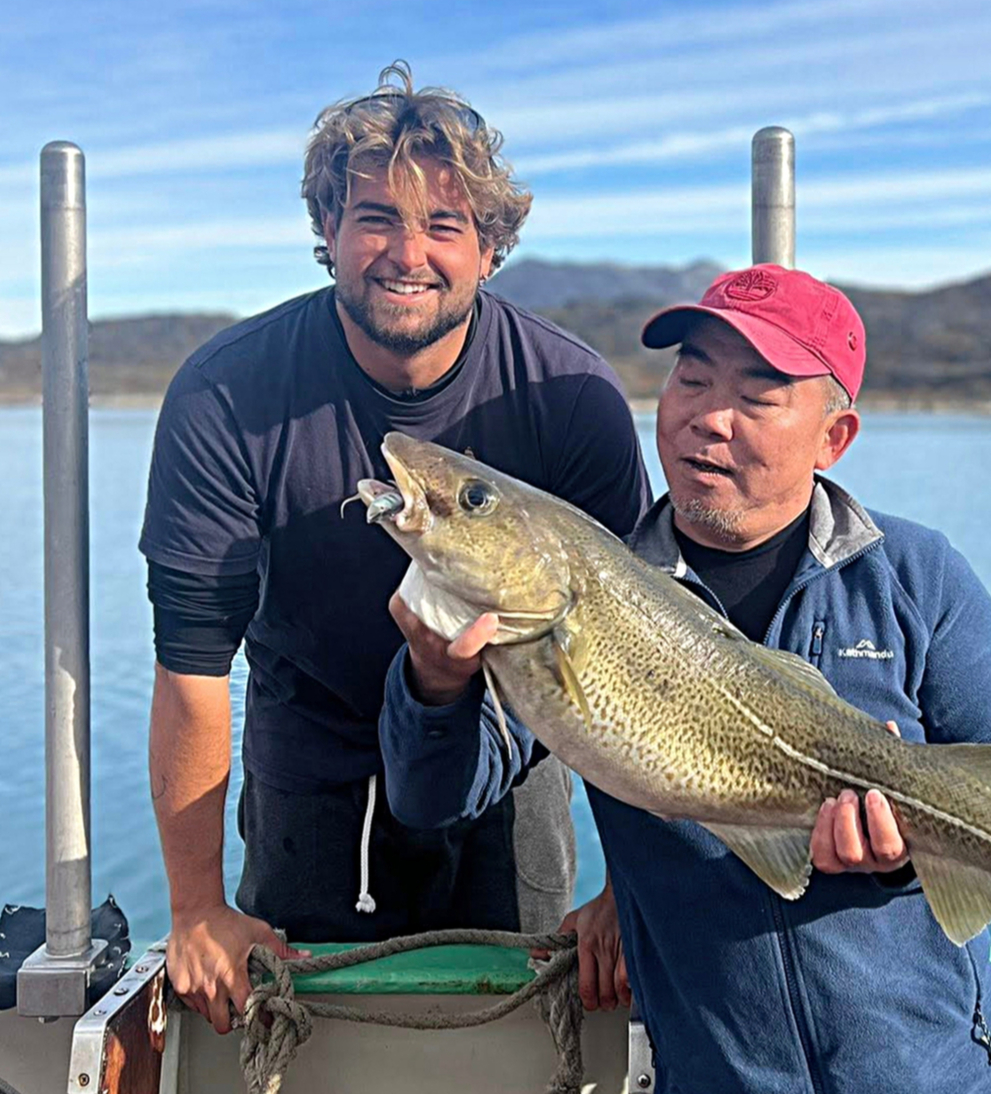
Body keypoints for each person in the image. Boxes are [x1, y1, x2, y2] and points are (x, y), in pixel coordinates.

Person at [377, 265, 991, 1094]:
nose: (708, 420)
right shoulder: (586, 591)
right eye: (689, 380)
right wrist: (434, 678)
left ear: (832, 437)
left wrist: (904, 860)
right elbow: (435, 800)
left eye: (759, 394)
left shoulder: (915, 576)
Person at [139, 62, 651, 1036]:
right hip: (313, 763)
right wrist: (197, 907)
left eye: (445, 225)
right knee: (308, 1037)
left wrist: (633, 887)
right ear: (327, 235)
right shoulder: (227, 397)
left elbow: (628, 669)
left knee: (522, 1036)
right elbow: (191, 667)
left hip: (517, 750)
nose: (405, 252)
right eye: (374, 217)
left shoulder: (570, 400)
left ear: (491, 250)